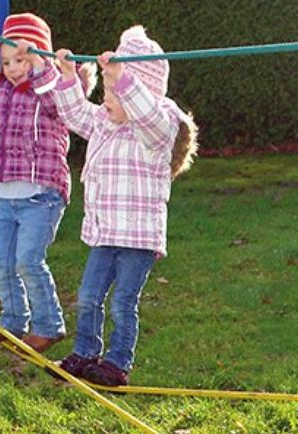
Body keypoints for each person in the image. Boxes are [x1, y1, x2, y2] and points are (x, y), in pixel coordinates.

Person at [34, 25, 197, 386]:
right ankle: (84, 353)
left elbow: (147, 113)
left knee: (122, 303)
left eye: (114, 91)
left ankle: (117, 363)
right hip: (106, 233)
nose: (106, 97)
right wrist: (67, 78)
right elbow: (75, 114)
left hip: (138, 238)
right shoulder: (105, 122)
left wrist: (122, 79)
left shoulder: (159, 128)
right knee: (88, 297)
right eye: (106, 89)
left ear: (140, 93)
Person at [0, 13, 94, 352]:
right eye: (6, 61)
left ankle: (49, 325)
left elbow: (55, 101)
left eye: (20, 60)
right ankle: (13, 321)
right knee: (1, 262)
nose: (12, 68)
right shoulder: (1, 89)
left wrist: (40, 66)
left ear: (38, 57)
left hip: (42, 194)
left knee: (28, 261)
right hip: (7, 195)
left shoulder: (53, 89)